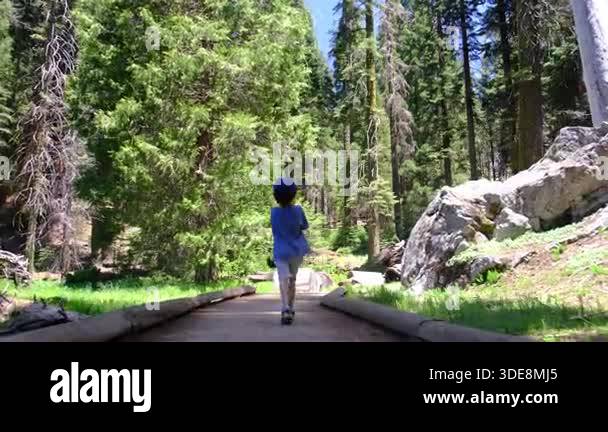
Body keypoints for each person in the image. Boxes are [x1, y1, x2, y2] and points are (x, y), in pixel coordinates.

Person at [270, 177, 310, 325]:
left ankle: (285, 307)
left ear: (276, 195)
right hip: (296, 250)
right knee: (293, 279)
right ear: (293, 194)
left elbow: (275, 230)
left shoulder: (274, 212)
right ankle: (291, 308)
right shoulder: (298, 210)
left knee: (283, 279)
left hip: (280, 251)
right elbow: (304, 226)